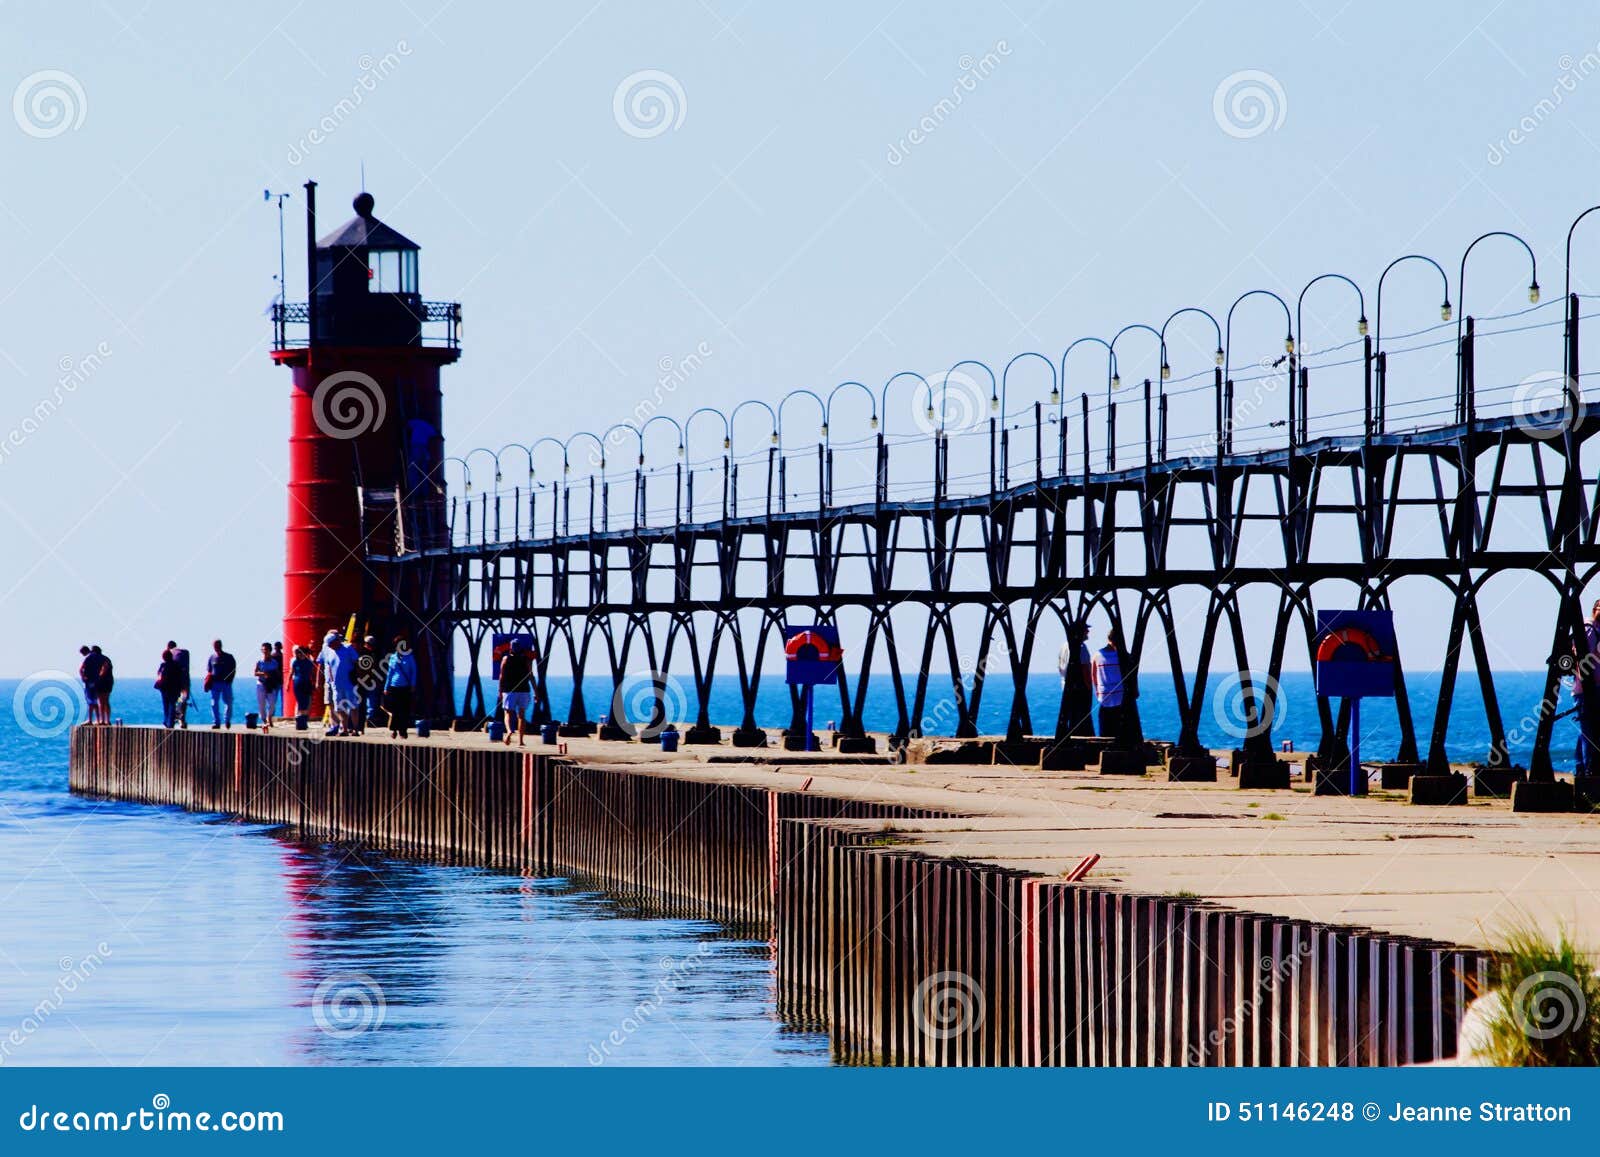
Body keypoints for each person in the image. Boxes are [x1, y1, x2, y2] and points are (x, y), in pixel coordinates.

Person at [1575, 601, 1600, 777]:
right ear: (1594, 610)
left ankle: (1582, 768)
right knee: (1590, 731)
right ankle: (1589, 773)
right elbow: (1584, 660)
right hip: (1589, 688)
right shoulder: (1590, 629)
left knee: (1588, 731)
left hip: (1593, 687)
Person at [1056, 622, 1093, 739]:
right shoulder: (1081, 648)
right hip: (1080, 688)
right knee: (1081, 718)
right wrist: (1089, 687)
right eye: (1085, 630)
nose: (1088, 632)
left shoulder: (1064, 646)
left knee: (1071, 716)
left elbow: (1060, 667)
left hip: (1066, 685)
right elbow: (1085, 669)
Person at [1090, 629, 1126, 741]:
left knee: (1104, 727)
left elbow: (1093, 675)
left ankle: (1104, 746)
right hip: (1119, 694)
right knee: (1119, 727)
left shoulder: (1097, 655)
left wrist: (1097, 691)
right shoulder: (1122, 655)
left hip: (1104, 695)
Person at [498, 638, 535, 747]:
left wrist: (500, 690)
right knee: (521, 715)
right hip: (524, 690)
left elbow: (501, 676)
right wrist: (536, 692)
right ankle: (521, 740)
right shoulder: (526, 660)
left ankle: (509, 730)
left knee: (508, 712)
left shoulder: (506, 659)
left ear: (511, 648)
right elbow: (531, 676)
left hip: (509, 690)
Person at [382, 636, 418, 740]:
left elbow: (414, 672)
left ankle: (403, 731)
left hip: (405, 687)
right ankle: (394, 730)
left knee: (404, 710)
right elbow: (390, 673)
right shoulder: (393, 657)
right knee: (395, 710)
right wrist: (386, 687)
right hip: (394, 686)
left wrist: (413, 684)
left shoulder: (410, 657)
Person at [205, 639, 236, 729]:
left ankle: (227, 720)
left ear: (221, 645)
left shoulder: (229, 657)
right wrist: (208, 682)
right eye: (215, 646)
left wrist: (230, 680)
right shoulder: (211, 658)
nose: (216, 647)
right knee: (214, 703)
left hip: (226, 683)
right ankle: (216, 722)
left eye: (218, 645)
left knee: (228, 702)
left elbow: (233, 669)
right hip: (215, 683)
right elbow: (209, 671)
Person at [164, 640, 192, 729]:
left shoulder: (171, 654)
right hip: (185, 680)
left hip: (175, 683)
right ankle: (182, 720)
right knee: (183, 700)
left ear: (168, 647)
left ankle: (172, 719)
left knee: (173, 702)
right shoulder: (184, 654)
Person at [78, 645, 109, 725]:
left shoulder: (88, 657)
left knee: (91, 701)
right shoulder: (101, 657)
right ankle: (99, 720)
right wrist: (100, 676)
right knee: (97, 701)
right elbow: (105, 667)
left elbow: (81, 669)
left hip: (89, 681)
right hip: (97, 682)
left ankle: (90, 720)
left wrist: (83, 678)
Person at [253, 642, 282, 729]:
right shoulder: (259, 661)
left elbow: (277, 673)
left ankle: (269, 717)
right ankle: (264, 720)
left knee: (272, 703)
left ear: (270, 650)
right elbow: (255, 673)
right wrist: (263, 674)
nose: (265, 652)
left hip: (271, 684)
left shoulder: (274, 662)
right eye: (263, 650)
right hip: (261, 683)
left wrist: (277, 680)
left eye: (266, 650)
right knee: (261, 703)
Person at [156, 647, 183, 729]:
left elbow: (158, 674)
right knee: (172, 706)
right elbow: (179, 676)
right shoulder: (176, 665)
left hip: (165, 689)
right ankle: (169, 722)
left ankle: (167, 721)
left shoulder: (164, 665)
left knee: (167, 706)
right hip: (173, 689)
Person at [290, 645, 316, 723]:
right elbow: (292, 672)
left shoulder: (309, 662)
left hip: (307, 683)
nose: (301, 655)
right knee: (300, 701)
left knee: (307, 701)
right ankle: (300, 720)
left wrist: (314, 682)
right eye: (299, 653)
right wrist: (288, 683)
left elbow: (312, 673)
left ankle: (304, 719)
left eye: (302, 653)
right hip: (298, 683)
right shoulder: (295, 662)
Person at [92, 646, 114, 724]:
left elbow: (104, 669)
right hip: (109, 681)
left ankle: (102, 720)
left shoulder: (99, 659)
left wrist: (98, 676)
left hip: (102, 682)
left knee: (101, 701)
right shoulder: (106, 658)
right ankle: (107, 720)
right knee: (106, 701)